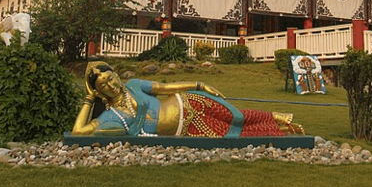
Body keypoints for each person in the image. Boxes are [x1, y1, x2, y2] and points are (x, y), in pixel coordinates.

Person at [72, 62, 304, 137]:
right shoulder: (112, 117)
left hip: (190, 102)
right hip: (187, 127)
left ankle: (275, 116)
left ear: (115, 75)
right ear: (100, 91)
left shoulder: (133, 85)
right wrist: (89, 99)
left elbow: (164, 87)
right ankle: (278, 129)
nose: (111, 85)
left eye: (110, 78)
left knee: (237, 116)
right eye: (103, 85)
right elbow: (78, 131)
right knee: (236, 133)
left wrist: (199, 84)